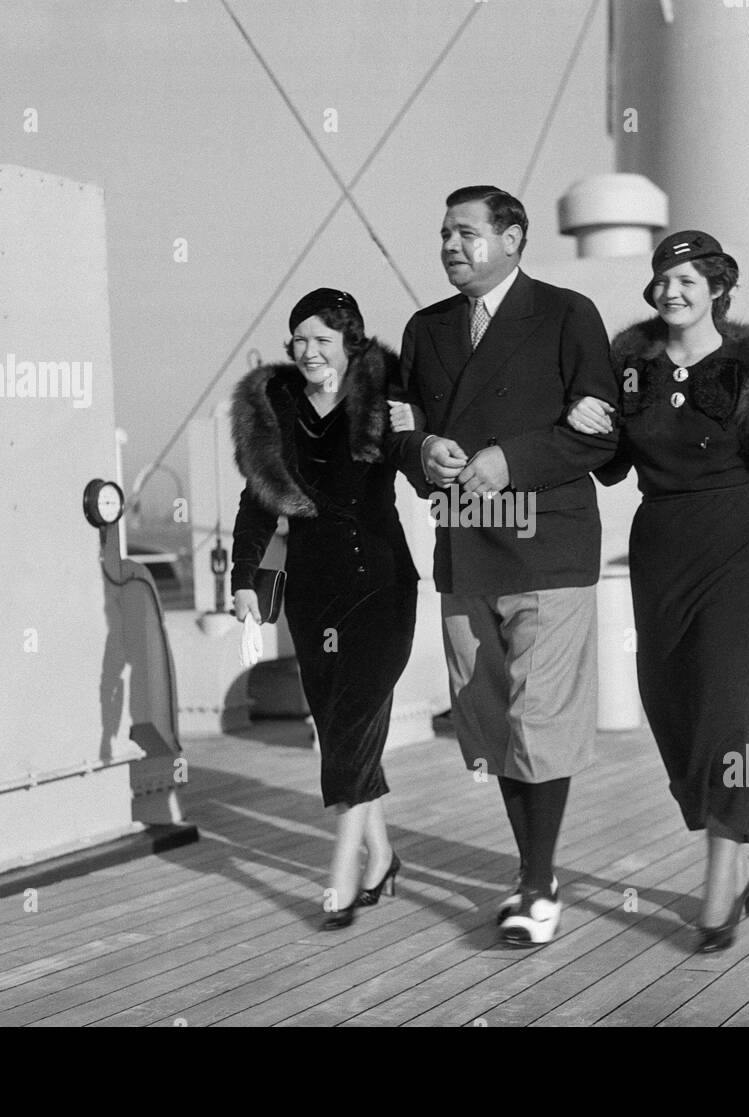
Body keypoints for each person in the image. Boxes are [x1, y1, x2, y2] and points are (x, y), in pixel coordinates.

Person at [566, 230, 749, 952]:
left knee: (725, 713)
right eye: (662, 277)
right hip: (659, 547)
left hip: (737, 550)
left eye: (688, 278)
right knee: (669, 707)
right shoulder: (631, 363)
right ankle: (739, 855)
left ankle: (719, 888)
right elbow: (612, 468)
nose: (671, 289)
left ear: (719, 287)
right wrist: (590, 420)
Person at [387, 186, 618, 946]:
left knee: (538, 716)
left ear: (513, 237)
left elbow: (600, 435)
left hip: (547, 545)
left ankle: (535, 881)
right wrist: (421, 450)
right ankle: (534, 867)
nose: (451, 245)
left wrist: (509, 458)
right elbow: (396, 427)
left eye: (467, 232)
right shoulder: (425, 330)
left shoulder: (566, 315)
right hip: (465, 542)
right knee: (490, 717)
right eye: (444, 233)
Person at [230, 288, 418, 931]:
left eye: (322, 339)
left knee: (358, 719)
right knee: (340, 725)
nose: (309, 352)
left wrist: (415, 434)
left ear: (350, 342)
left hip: (381, 585)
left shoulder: (383, 401)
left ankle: (345, 869)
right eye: (299, 340)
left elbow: (423, 469)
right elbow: (257, 503)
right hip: (312, 592)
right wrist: (244, 580)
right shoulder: (275, 408)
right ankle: (385, 856)